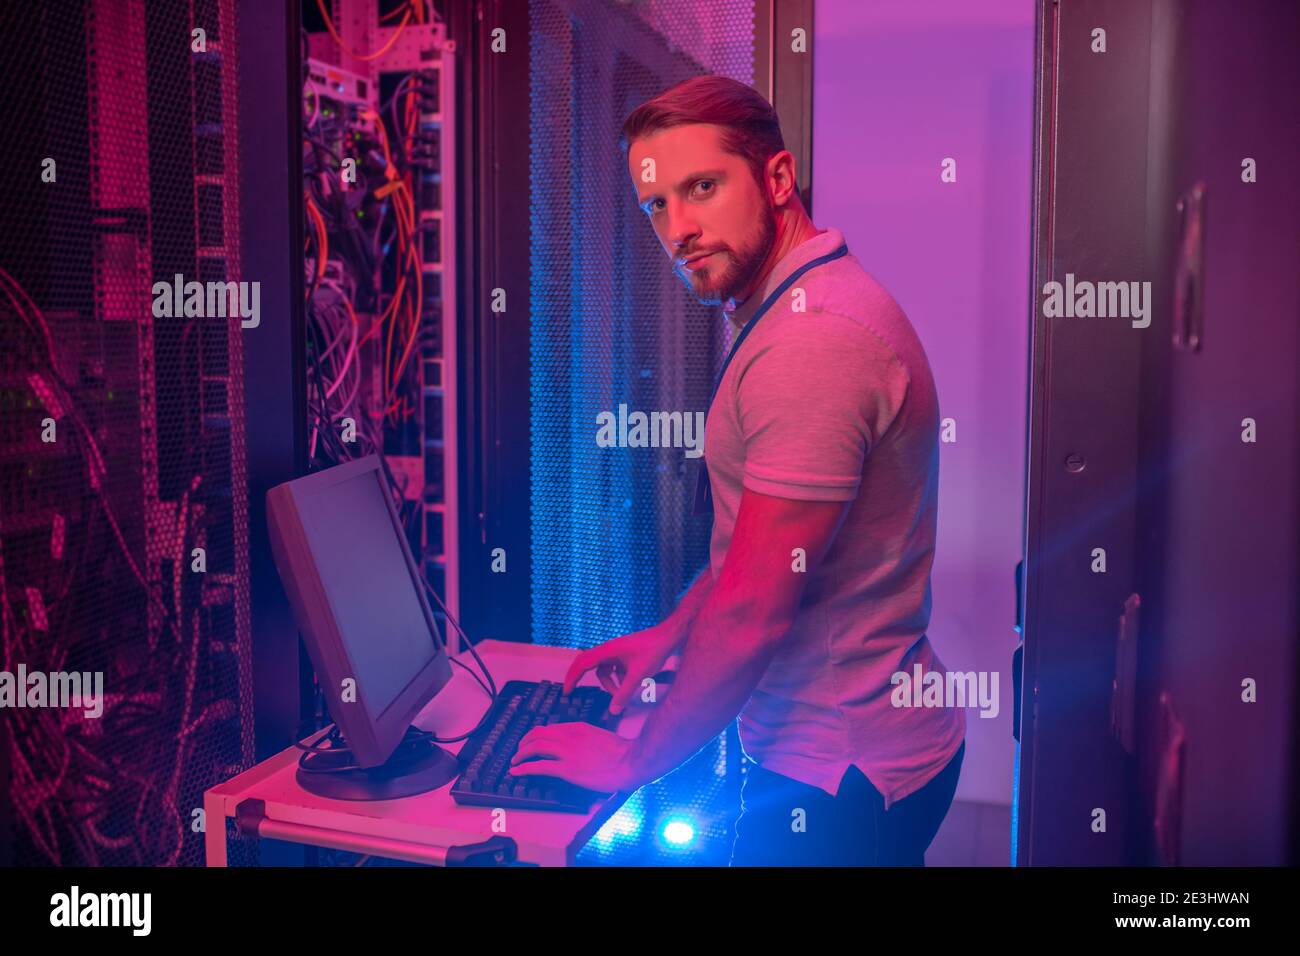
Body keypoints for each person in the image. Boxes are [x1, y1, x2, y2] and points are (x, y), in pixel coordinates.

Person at [511, 74, 965, 866]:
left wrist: (629, 762)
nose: (678, 227)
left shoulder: (812, 344)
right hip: (863, 751)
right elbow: (753, 554)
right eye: (658, 205)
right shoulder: (797, 307)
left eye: (703, 188)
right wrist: (669, 638)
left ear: (778, 179)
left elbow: (754, 607)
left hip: (834, 776)